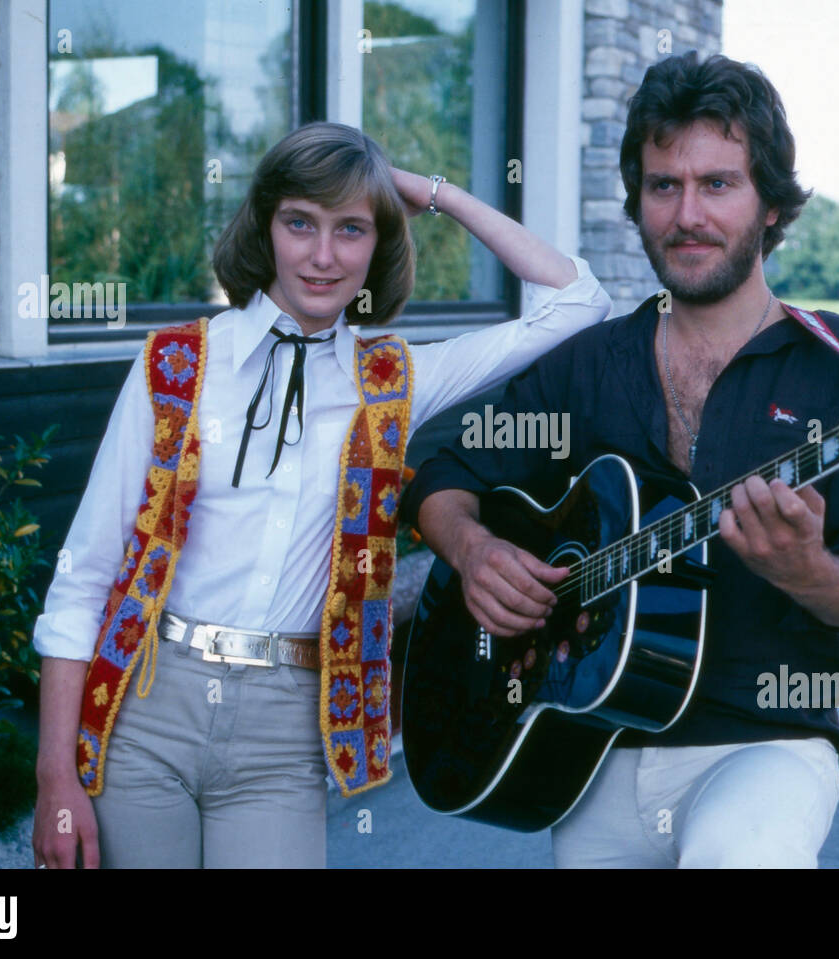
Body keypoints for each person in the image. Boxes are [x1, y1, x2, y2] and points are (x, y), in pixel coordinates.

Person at [30, 121, 611, 868]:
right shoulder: (175, 363)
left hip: (284, 731)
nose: (324, 254)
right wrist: (54, 777)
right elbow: (82, 579)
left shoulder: (394, 380)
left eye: (352, 229)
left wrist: (431, 193)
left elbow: (578, 301)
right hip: (148, 706)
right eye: (300, 221)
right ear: (266, 225)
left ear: (378, 247)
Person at [401, 52, 839, 868]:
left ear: (771, 205)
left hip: (767, 741)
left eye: (718, 183)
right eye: (663, 186)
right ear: (639, 201)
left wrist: (807, 571)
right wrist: (473, 552)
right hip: (587, 746)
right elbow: (442, 471)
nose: (688, 214)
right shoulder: (590, 365)